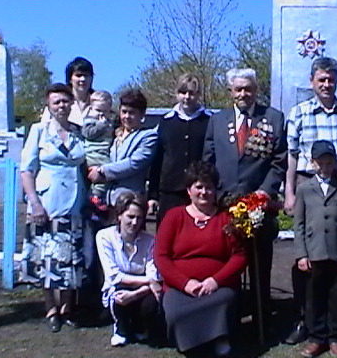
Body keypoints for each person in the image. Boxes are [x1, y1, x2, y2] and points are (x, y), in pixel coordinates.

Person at [284, 56, 337, 345]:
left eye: (330, 79)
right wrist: (290, 191)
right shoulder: (299, 113)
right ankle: (307, 323)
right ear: (312, 82)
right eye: (321, 79)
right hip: (308, 186)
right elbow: (292, 156)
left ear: (336, 81)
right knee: (306, 260)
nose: (326, 84)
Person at [202, 67, 287, 340]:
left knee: (260, 265)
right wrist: (215, 195)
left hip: (258, 205)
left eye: (248, 89)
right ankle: (230, 322)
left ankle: (263, 322)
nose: (243, 94)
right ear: (230, 92)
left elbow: (279, 161)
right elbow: (209, 160)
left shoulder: (273, 118)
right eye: (238, 89)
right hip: (225, 205)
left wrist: (263, 193)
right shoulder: (217, 120)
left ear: (256, 90)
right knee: (227, 267)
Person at [154, 162, 247, 356]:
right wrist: (185, 283)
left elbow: (239, 256)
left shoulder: (226, 218)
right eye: (199, 187)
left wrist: (215, 281)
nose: (204, 192)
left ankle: (219, 337)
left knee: (224, 300)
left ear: (215, 190)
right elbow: (161, 257)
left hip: (218, 287)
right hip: (181, 288)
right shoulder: (174, 216)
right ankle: (194, 342)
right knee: (176, 311)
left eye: (209, 187)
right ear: (189, 190)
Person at [20, 83, 87, 332]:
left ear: (72, 104)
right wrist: (34, 202)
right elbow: (27, 170)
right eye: (56, 102)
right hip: (46, 204)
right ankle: (50, 309)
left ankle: (68, 308)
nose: (61, 106)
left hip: (75, 204)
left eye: (65, 101)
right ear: (48, 105)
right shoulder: (38, 131)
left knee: (70, 257)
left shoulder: (79, 133)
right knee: (46, 258)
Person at [294, 140, 337, 358]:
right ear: (312, 163)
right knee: (314, 296)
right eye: (320, 163)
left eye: (329, 163)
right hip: (313, 251)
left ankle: (335, 337)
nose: (325, 167)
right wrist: (301, 254)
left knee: (336, 296)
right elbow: (298, 224)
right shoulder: (304, 189)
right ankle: (316, 338)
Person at [96, 192, 163, 347]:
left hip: (142, 289)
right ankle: (120, 329)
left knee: (151, 303)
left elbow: (153, 272)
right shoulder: (104, 237)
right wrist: (150, 281)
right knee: (119, 294)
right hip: (119, 285)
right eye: (130, 217)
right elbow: (113, 275)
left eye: (139, 218)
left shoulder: (150, 241)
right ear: (119, 215)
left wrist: (134, 294)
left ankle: (140, 326)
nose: (135, 222)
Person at [149, 73, 211, 225]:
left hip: (199, 191)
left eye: (192, 93)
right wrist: (152, 195)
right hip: (170, 191)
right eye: (183, 92)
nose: (187, 97)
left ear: (198, 95)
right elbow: (157, 160)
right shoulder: (166, 121)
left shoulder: (209, 121)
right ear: (177, 94)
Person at [88, 89, 157, 208]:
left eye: (132, 113)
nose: (127, 116)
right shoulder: (113, 134)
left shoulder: (148, 136)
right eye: (124, 112)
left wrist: (102, 171)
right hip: (107, 201)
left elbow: (134, 163)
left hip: (130, 202)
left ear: (142, 114)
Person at [82, 90, 115, 220]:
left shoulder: (109, 122)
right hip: (94, 155)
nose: (101, 114)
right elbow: (88, 133)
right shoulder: (89, 121)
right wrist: (102, 124)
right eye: (98, 110)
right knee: (104, 175)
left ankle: (97, 198)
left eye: (105, 111)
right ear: (91, 109)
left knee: (108, 174)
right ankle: (95, 196)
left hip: (104, 153)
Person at [41, 57, 95, 126]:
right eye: (78, 75)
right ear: (70, 79)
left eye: (86, 75)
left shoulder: (100, 102)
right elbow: (44, 128)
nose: (83, 79)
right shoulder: (57, 103)